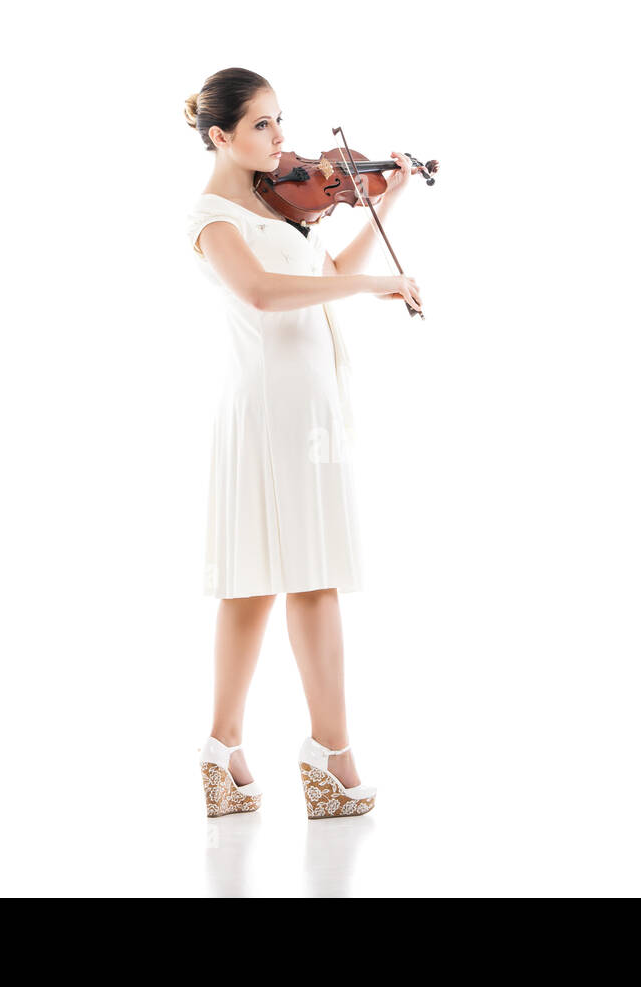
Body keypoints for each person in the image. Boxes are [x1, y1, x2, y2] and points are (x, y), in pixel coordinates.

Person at [182, 67, 421, 819]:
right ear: (220, 135)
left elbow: (327, 273)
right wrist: (361, 286)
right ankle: (329, 756)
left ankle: (225, 755)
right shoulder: (215, 215)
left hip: (306, 407)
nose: (283, 139)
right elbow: (261, 292)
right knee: (282, 579)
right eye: (262, 125)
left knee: (265, 580)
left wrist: (391, 201)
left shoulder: (275, 204)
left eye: (280, 120)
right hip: (269, 411)